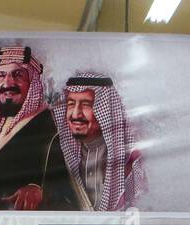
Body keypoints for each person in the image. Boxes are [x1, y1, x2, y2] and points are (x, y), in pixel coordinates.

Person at [0, 45, 76, 210]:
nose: (8, 83)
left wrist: (38, 190)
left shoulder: (49, 129)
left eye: (17, 75)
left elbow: (64, 190)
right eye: (2, 75)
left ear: (32, 84)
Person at [55, 73, 146, 211]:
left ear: (105, 110)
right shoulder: (58, 153)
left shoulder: (130, 159)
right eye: (71, 104)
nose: (75, 114)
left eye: (86, 105)